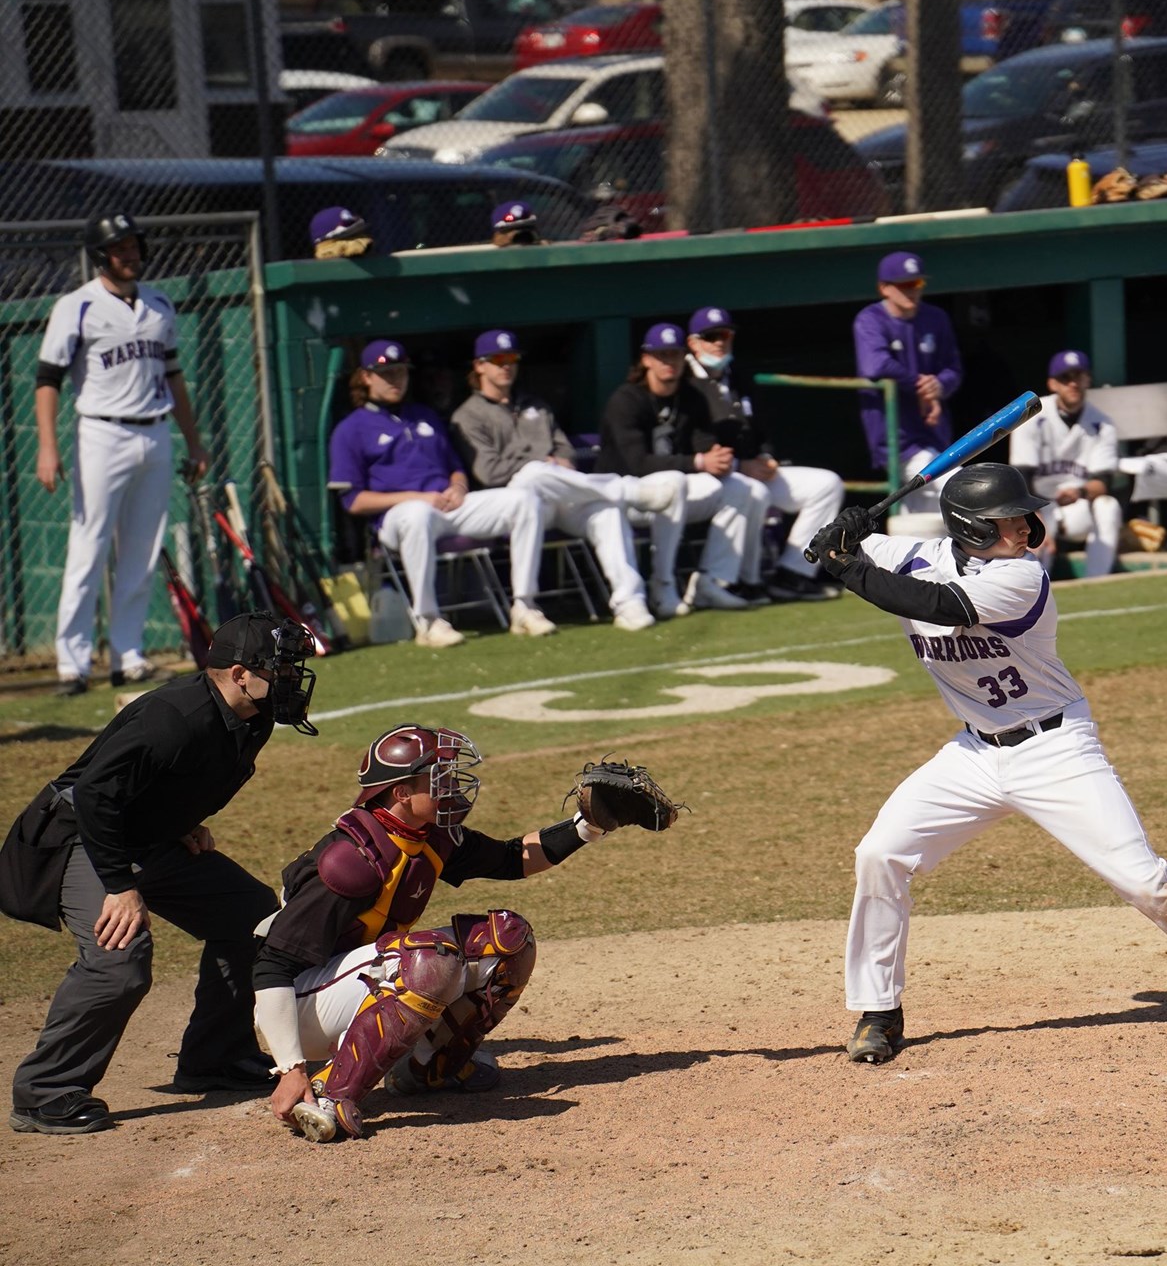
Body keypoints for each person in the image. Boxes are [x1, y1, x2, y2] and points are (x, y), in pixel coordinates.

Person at [804, 464, 1167, 1065]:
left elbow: (931, 601)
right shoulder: (914, 553)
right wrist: (842, 534)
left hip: (1055, 749)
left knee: (1141, 878)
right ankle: (878, 1010)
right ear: (971, 528)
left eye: (1024, 517)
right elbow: (833, 548)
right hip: (974, 754)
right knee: (880, 854)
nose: (1025, 528)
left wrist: (847, 564)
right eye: (1009, 519)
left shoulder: (1021, 577)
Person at [252, 726, 670, 1142]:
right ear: (401, 792)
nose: (452, 786)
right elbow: (271, 966)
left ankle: (430, 1067)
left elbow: (511, 859)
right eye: (439, 778)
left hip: (354, 983)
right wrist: (291, 1067)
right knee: (427, 957)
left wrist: (587, 826)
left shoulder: (426, 836)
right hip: (297, 1005)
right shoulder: (350, 861)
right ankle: (327, 1094)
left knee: (508, 939)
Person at [3, 614, 317, 1134]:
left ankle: (215, 1057)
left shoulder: (253, 716)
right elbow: (94, 796)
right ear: (240, 674)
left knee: (251, 915)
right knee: (119, 959)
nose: (291, 680)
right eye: (281, 670)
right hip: (79, 837)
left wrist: (180, 823)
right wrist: (119, 886)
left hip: (143, 838)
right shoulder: (173, 717)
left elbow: (174, 780)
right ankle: (44, 1092)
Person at [34, 214, 213, 696]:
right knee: (88, 546)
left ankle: (128, 655)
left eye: (134, 246)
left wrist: (194, 440)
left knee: (142, 549)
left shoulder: (159, 303)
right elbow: (47, 378)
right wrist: (48, 446)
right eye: (119, 248)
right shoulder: (76, 306)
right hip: (101, 433)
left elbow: (174, 377)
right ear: (100, 256)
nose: (130, 254)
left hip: (155, 432)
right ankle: (72, 664)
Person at [449, 327, 685, 629]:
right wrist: (540, 462)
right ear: (479, 366)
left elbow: (565, 451)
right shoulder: (467, 415)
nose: (506, 366)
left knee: (606, 511)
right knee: (534, 473)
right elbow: (489, 471)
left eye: (512, 359)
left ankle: (630, 603)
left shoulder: (535, 405)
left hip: (560, 495)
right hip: (513, 503)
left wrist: (556, 463)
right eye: (498, 360)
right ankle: (628, 490)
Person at [328, 340, 556, 646]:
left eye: (400, 372)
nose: (396, 380)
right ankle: (429, 620)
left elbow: (455, 467)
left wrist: (459, 487)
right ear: (367, 377)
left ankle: (525, 606)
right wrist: (414, 498)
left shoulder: (425, 415)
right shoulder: (350, 429)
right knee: (418, 514)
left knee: (523, 500)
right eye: (386, 374)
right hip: (397, 518)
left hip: (447, 505)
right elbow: (353, 501)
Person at [682, 306, 847, 602]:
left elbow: (760, 428)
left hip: (750, 470)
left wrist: (767, 457)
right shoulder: (685, 382)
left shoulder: (736, 375)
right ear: (693, 343)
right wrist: (739, 465)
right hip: (711, 476)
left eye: (725, 335)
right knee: (751, 490)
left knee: (826, 483)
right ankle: (742, 581)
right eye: (711, 336)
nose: (719, 342)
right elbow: (692, 438)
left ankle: (794, 573)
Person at [597, 323, 757, 611]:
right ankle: (663, 586)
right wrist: (697, 462)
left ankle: (712, 581)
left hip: (673, 494)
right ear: (646, 359)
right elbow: (638, 463)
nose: (669, 362)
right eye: (661, 355)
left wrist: (717, 458)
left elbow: (703, 443)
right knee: (675, 482)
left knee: (741, 488)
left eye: (674, 355)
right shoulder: (627, 399)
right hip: (624, 496)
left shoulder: (690, 396)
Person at [852, 251, 963, 516]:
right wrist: (919, 385)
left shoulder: (935, 317)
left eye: (917, 283)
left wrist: (938, 386)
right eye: (904, 284)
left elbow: (954, 369)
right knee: (955, 483)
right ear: (884, 288)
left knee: (923, 518)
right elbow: (874, 365)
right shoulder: (870, 319)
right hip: (896, 438)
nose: (912, 290)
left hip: (934, 433)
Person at [1010, 350, 1124, 578]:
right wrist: (1033, 518)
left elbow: (1103, 482)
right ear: (1052, 384)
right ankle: (1036, 588)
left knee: (1108, 506)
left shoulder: (1102, 423)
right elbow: (1021, 476)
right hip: (1038, 505)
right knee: (1036, 536)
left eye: (1079, 376)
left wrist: (1079, 492)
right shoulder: (1032, 416)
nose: (1073, 384)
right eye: (1065, 378)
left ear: (1087, 380)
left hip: (1078, 506)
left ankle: (1097, 580)